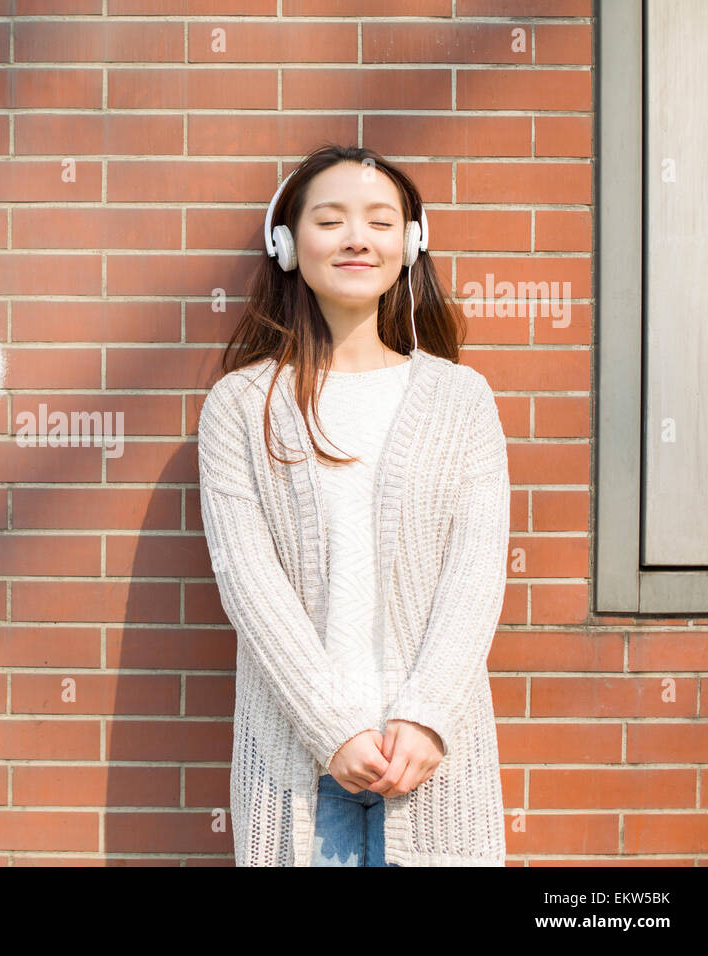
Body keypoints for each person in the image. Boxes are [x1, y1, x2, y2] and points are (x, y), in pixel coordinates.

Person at [197, 144, 511, 866]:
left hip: (432, 765)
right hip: (300, 766)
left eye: (379, 220)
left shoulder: (459, 400)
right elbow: (249, 584)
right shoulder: (240, 408)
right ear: (286, 243)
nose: (357, 239)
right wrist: (332, 727)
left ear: (411, 243)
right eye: (330, 220)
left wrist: (427, 720)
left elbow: (475, 574)